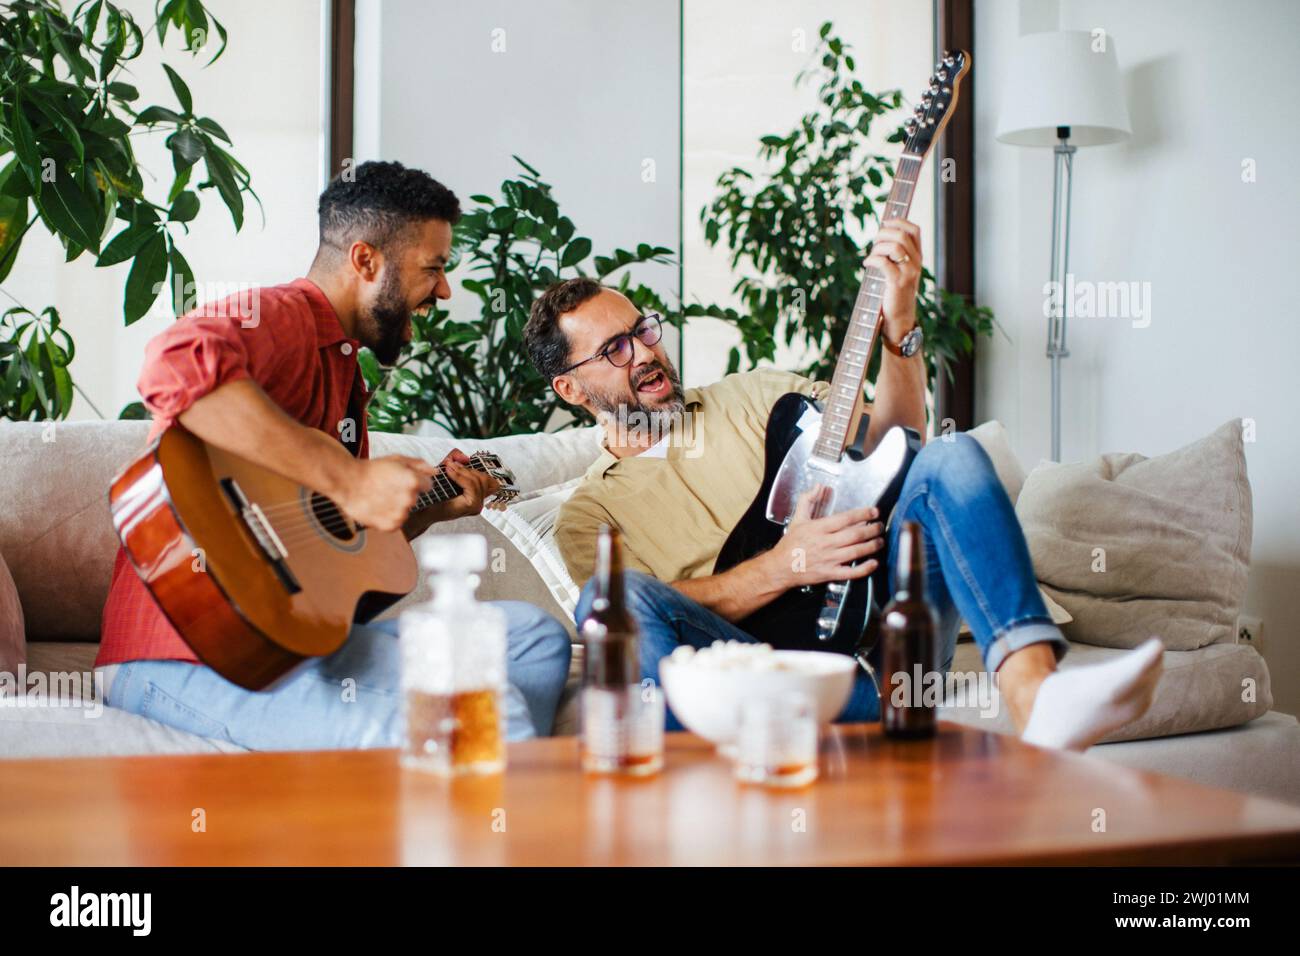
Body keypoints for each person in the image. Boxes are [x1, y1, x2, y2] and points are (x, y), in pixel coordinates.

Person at [524, 217, 1162, 751]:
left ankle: (1036, 693)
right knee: (618, 598)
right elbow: (638, 621)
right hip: (759, 673)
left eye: (642, 331)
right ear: (571, 389)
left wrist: (900, 322)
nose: (642, 353)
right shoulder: (591, 511)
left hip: (894, 650)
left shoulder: (756, 395)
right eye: (613, 350)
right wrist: (784, 566)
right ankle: (686, 787)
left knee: (950, 457)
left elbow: (894, 443)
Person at [95, 161, 571, 749]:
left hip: (290, 643)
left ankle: (424, 810)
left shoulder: (343, 369)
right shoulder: (286, 316)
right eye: (434, 268)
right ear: (365, 261)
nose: (444, 290)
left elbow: (331, 544)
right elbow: (172, 363)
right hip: (187, 656)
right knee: (486, 719)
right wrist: (349, 479)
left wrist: (424, 507)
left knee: (534, 638)